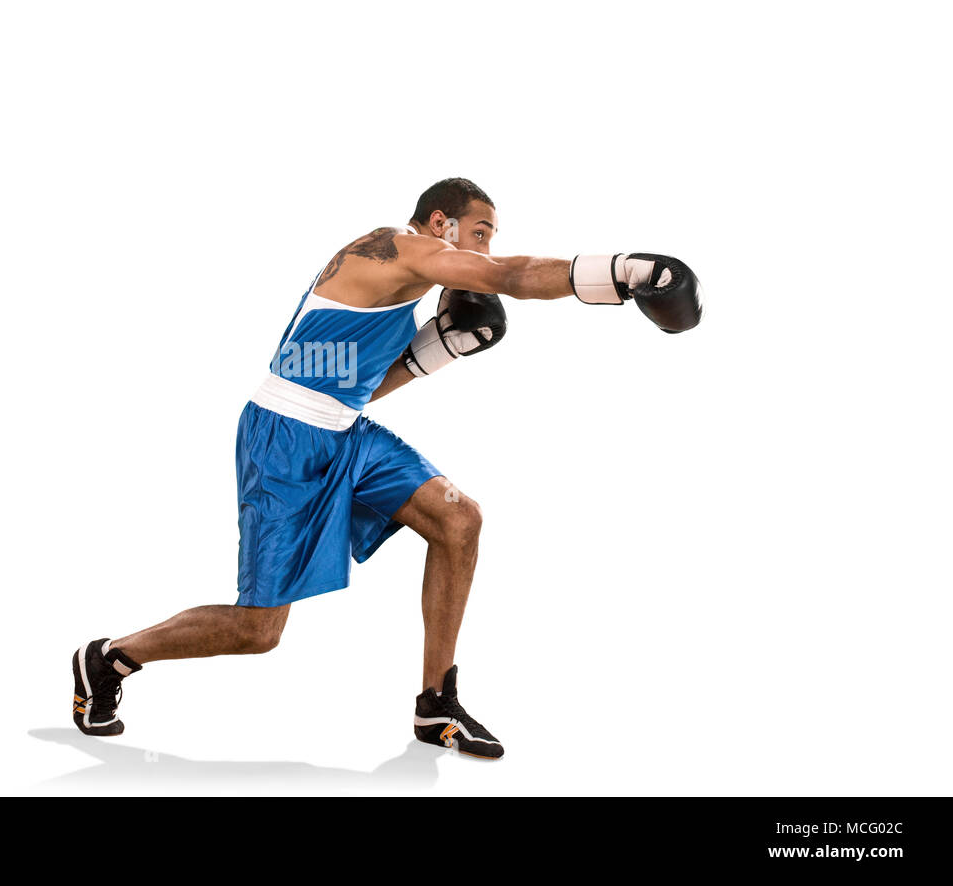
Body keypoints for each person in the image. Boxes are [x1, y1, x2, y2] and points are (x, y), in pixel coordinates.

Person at [72, 178, 702, 759]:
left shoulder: (400, 284)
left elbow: (357, 388)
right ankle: (109, 658)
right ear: (441, 223)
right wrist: (626, 274)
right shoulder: (396, 247)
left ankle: (436, 706)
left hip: (345, 431)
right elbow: (509, 274)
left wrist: (438, 349)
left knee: (459, 522)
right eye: (480, 232)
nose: (485, 250)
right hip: (284, 440)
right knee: (257, 631)